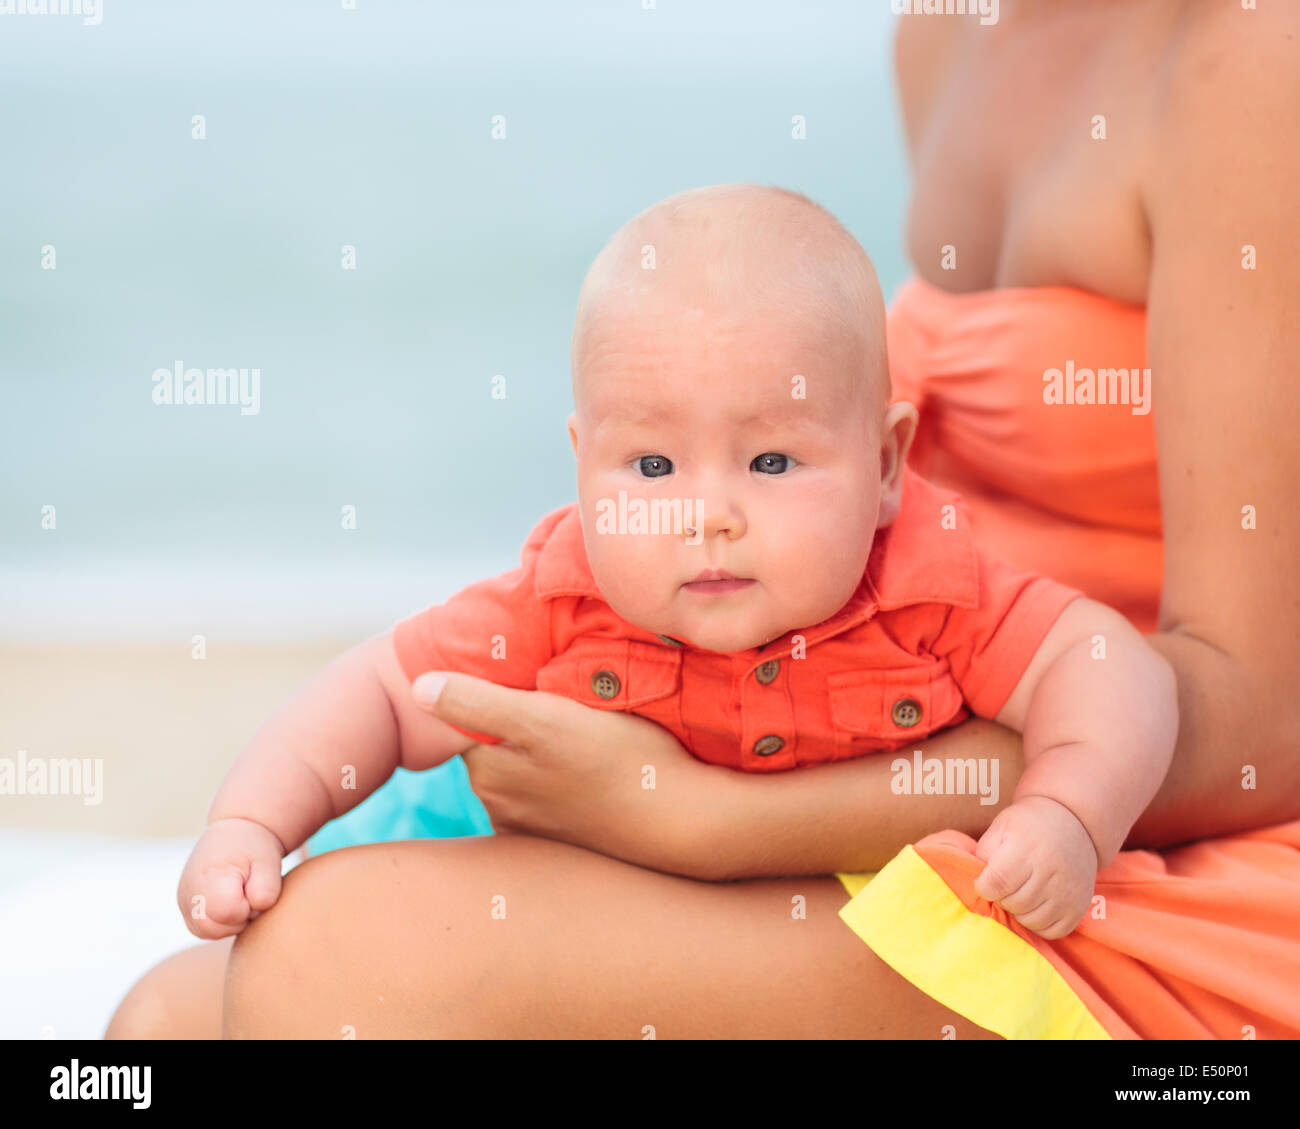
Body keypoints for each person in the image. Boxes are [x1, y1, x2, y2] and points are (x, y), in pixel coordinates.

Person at [107, 1, 1300, 1039]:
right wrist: (252, 818)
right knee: (166, 1019)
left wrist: (700, 819)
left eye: (767, 463)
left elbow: (1265, 726)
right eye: (654, 466)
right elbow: (384, 688)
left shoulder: (1254, 58)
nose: (711, 514)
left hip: (1125, 830)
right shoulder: (944, 29)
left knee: (332, 960)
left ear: (887, 466)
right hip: (886, 778)